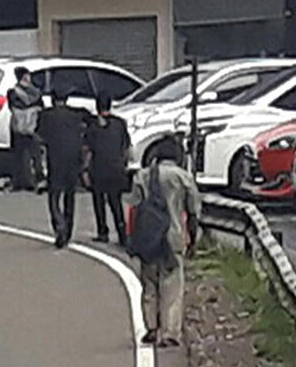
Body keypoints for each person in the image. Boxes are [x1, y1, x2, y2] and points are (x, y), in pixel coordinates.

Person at [127, 133, 203, 347]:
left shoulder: (142, 176)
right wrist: (193, 238)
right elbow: (194, 211)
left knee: (149, 282)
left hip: (148, 237)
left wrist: (131, 237)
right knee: (172, 284)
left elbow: (133, 209)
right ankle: (170, 332)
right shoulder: (183, 178)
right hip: (174, 236)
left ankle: (151, 326)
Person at [35, 89, 90, 248]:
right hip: (73, 158)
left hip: (55, 158)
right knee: (70, 194)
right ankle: (68, 227)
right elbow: (88, 118)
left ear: (52, 100)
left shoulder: (46, 116)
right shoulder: (76, 115)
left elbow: (38, 136)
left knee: (54, 195)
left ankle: (59, 224)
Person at [85, 100, 133, 243]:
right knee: (115, 201)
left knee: (99, 201)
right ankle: (122, 233)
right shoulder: (120, 124)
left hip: (99, 168)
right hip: (116, 167)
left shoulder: (93, 127)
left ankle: (102, 232)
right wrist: (124, 164)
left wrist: (85, 170)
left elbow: (87, 150)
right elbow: (127, 147)